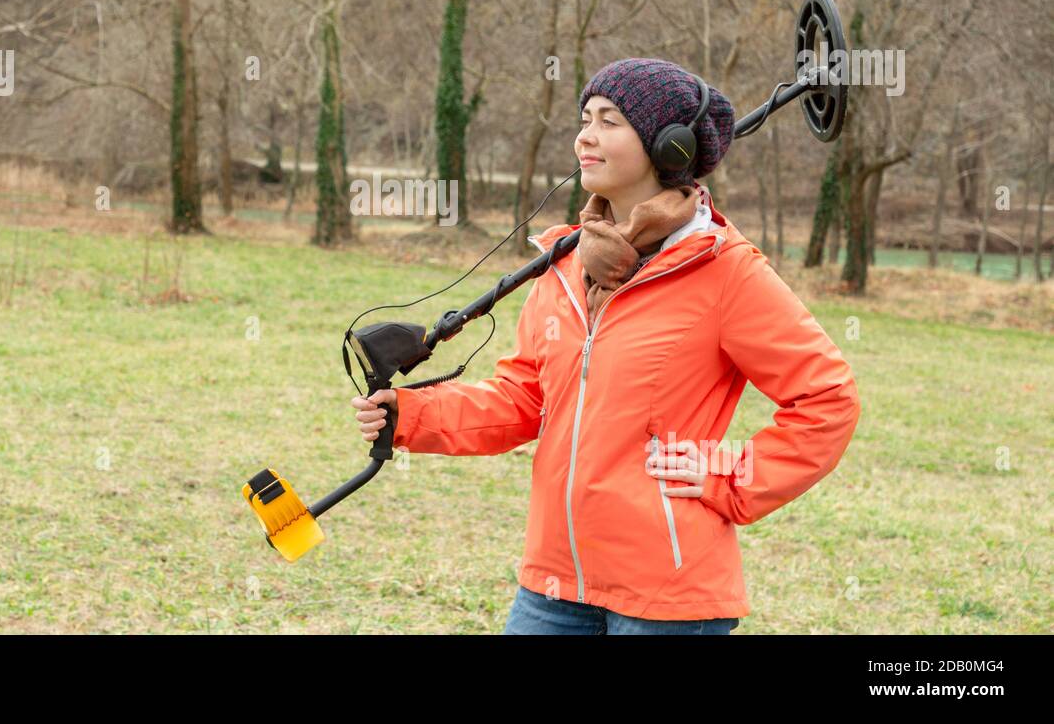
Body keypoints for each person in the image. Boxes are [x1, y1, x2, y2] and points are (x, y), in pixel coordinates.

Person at [351, 58, 861, 635]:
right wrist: (414, 414)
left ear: (668, 148)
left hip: (667, 597)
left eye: (609, 121)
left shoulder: (726, 272)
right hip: (553, 583)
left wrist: (732, 477)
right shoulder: (563, 264)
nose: (584, 136)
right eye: (584, 118)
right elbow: (524, 399)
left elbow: (828, 399)